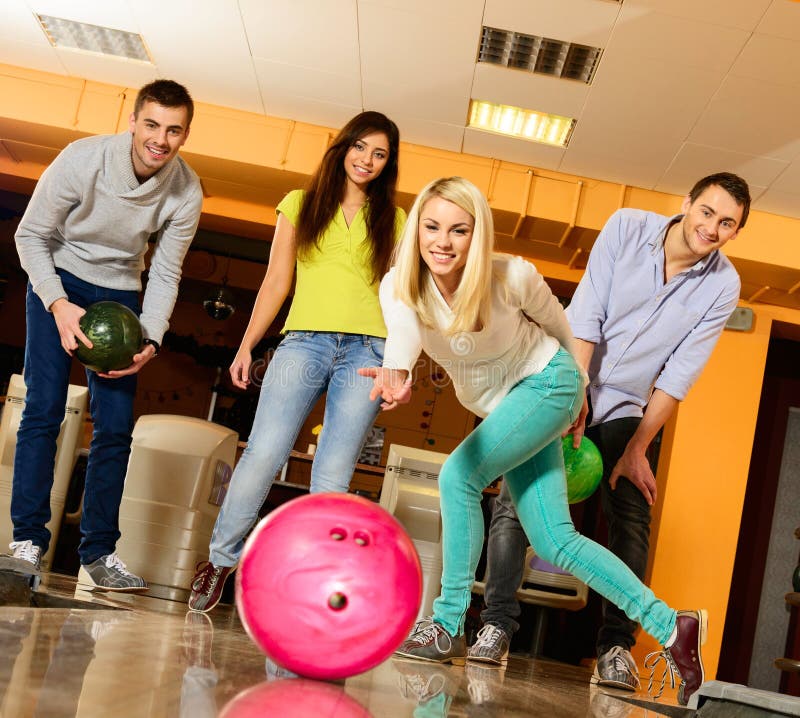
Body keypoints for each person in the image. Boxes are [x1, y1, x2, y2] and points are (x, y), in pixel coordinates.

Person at [362, 176, 709, 706]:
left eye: (459, 230)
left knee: (460, 475)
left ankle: (447, 622)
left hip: (549, 382)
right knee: (553, 541)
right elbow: (404, 338)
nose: (443, 241)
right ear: (416, 230)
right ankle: (671, 625)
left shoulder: (511, 277)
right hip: (510, 405)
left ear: (477, 236)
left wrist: (579, 395)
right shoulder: (399, 285)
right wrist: (396, 373)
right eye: (432, 227)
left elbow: (563, 329)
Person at [474, 172, 747, 694]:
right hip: (562, 375)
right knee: (515, 500)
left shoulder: (723, 284)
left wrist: (639, 448)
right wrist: (571, 395)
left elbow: (680, 370)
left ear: (736, 232)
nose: (712, 228)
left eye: (727, 223)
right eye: (707, 212)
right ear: (687, 203)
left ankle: (616, 646)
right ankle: (495, 625)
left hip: (627, 405)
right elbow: (589, 311)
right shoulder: (626, 227)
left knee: (631, 513)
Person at [187, 111, 405, 612]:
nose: (367, 160)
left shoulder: (395, 221)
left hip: (369, 351)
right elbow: (276, 281)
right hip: (303, 340)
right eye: (360, 147)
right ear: (342, 146)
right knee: (264, 452)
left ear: (388, 164)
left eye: (380, 154)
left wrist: (398, 364)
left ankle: (311, 580)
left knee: (333, 473)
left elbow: (402, 300)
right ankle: (219, 563)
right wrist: (246, 345)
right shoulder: (300, 204)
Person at [10, 80, 202, 592]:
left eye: (174, 129)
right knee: (44, 409)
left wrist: (152, 341)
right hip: (57, 278)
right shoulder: (83, 159)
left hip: (120, 296)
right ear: (134, 120)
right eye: (152, 124)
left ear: (185, 134)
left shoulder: (186, 190)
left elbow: (164, 273)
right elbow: (30, 236)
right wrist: (57, 303)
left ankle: (98, 553)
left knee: (115, 427)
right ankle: (27, 541)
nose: (161, 139)